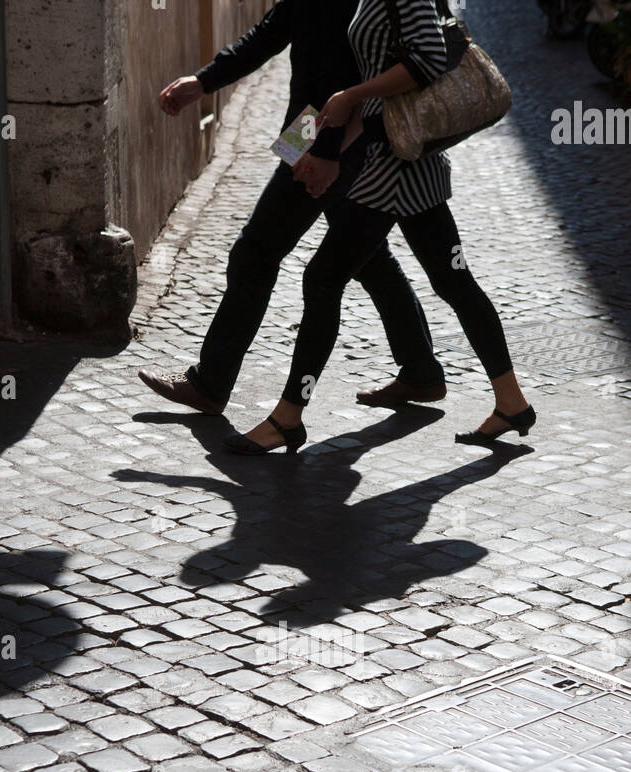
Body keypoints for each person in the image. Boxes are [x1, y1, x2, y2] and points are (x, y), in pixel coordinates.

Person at [225, 0, 534, 455]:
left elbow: (422, 62)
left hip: (392, 165)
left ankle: (285, 414)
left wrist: (335, 125)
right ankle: (502, 398)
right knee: (445, 279)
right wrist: (306, 149)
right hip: (380, 154)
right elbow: (321, 72)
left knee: (323, 275)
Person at [141, 0, 446, 415]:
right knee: (367, 254)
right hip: (304, 127)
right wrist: (204, 81)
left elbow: (346, 70)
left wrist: (327, 152)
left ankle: (211, 383)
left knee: (256, 253)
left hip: (333, 134)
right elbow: (269, 33)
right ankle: (422, 370)